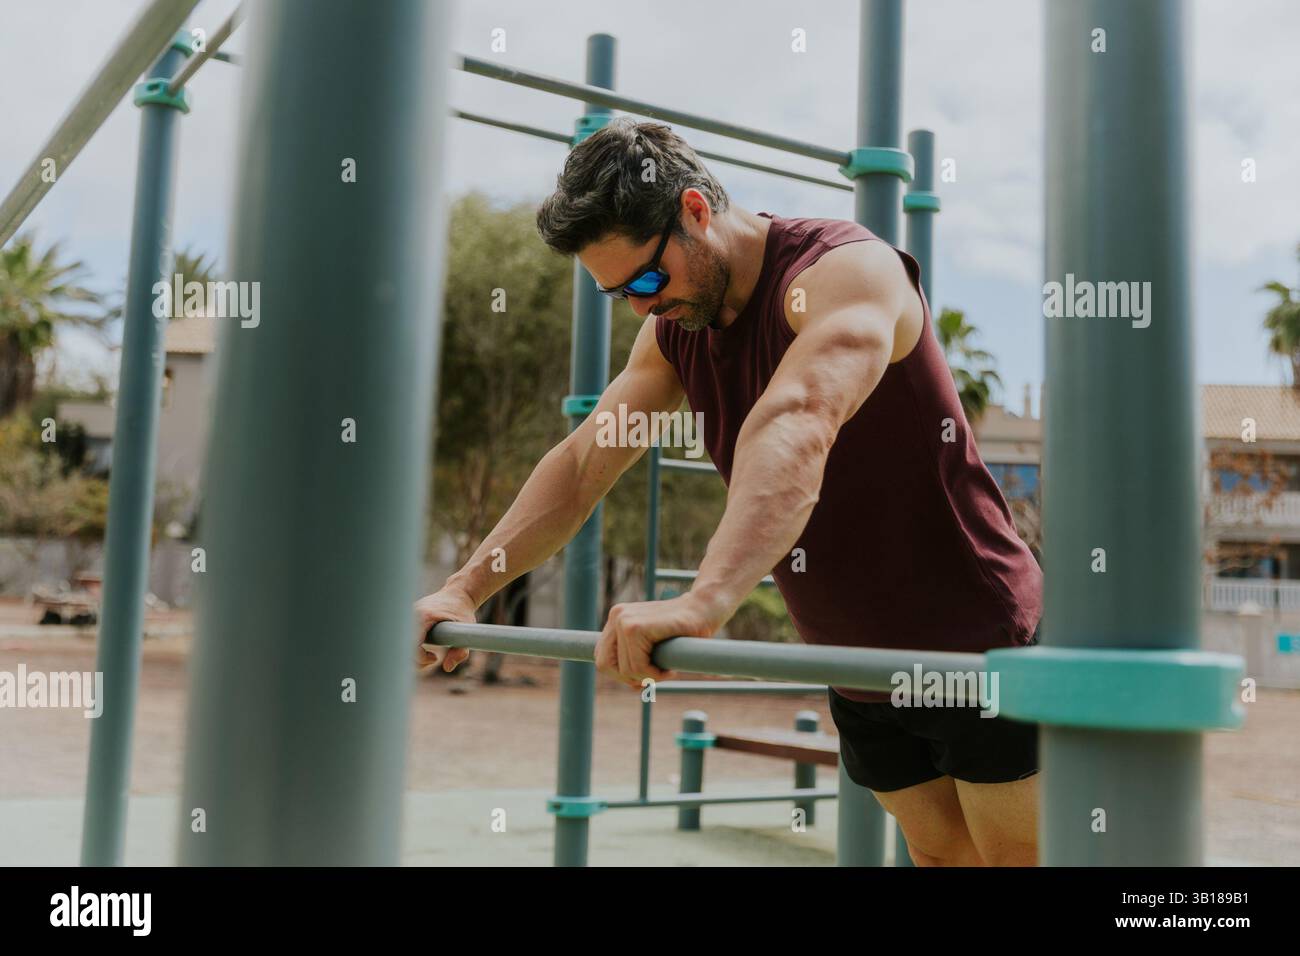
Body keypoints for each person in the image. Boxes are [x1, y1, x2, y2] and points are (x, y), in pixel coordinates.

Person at [414, 118, 1042, 866]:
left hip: (975, 642)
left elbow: (799, 418)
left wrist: (701, 599)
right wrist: (463, 588)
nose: (641, 307)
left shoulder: (844, 274)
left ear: (695, 211)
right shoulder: (674, 328)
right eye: (619, 295)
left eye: (646, 281)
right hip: (855, 663)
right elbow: (586, 461)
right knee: (941, 860)